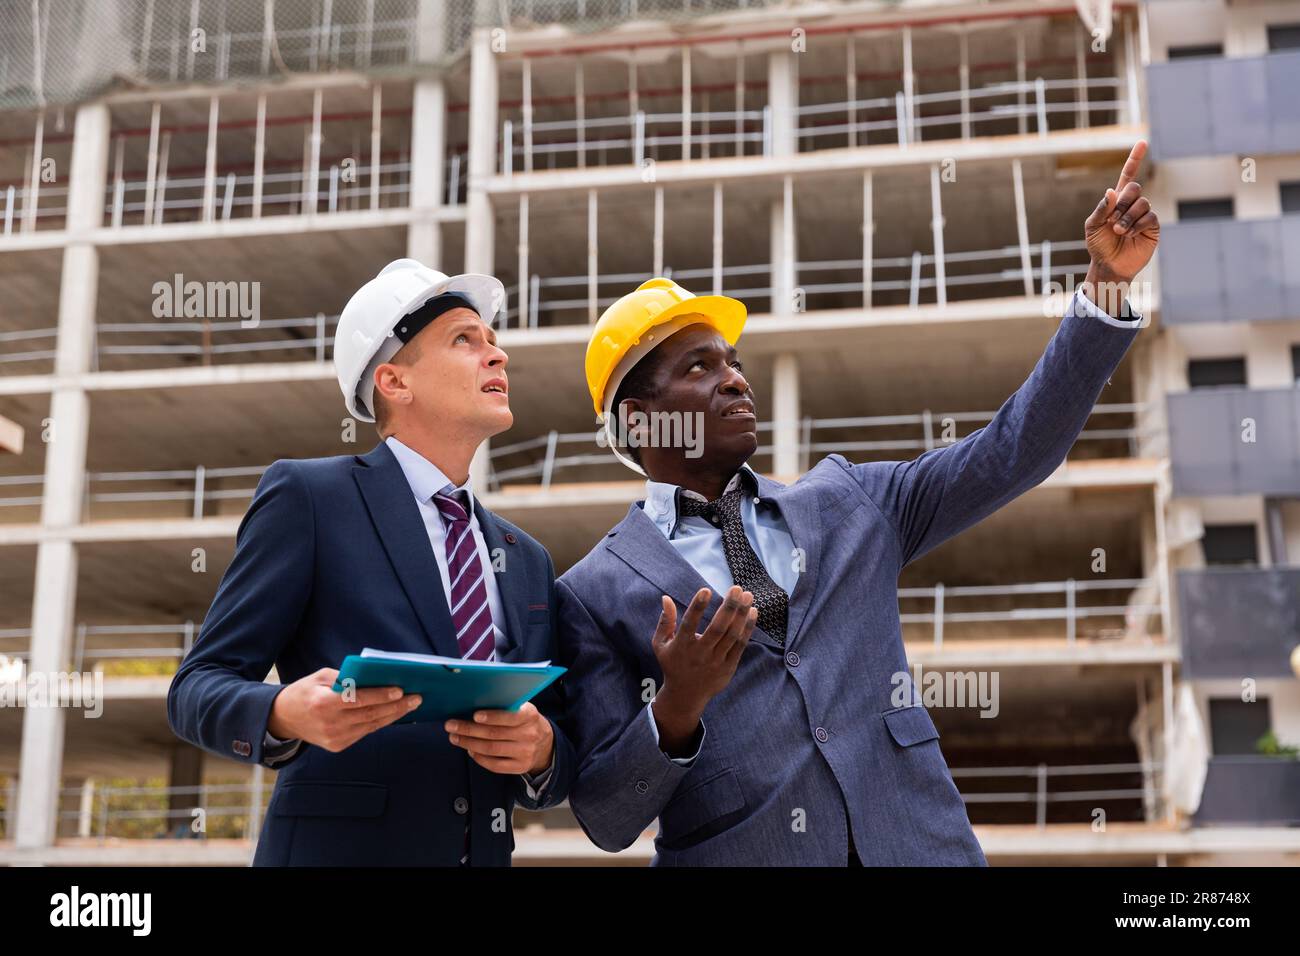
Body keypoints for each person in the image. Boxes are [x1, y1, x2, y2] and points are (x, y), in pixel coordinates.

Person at [556, 143, 1159, 865]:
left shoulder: (849, 502)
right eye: (699, 367)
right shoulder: (591, 593)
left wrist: (1105, 288)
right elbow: (606, 814)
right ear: (639, 420)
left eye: (736, 365)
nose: (736, 382)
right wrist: (677, 706)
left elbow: (1015, 450)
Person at [168, 259, 574, 865]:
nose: (498, 356)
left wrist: (542, 752)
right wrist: (283, 713)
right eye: (465, 339)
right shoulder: (309, 500)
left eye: (494, 341)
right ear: (393, 381)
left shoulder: (527, 559)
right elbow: (195, 688)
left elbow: (559, 744)